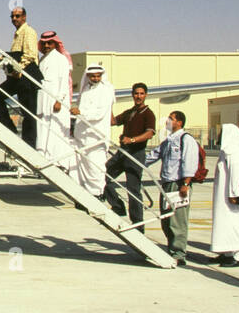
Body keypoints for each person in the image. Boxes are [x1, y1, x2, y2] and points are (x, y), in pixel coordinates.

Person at [145, 110, 199, 265]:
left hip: (179, 184)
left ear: (179, 122)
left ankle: (179, 253)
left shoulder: (186, 139)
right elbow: (153, 155)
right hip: (166, 184)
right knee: (167, 220)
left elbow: (190, 162)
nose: (168, 121)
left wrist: (186, 184)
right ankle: (172, 249)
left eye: (171, 119)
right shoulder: (169, 140)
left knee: (178, 221)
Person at [103, 83, 156, 225]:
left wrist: (132, 140)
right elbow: (113, 121)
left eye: (141, 94)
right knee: (102, 175)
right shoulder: (130, 112)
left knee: (133, 190)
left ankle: (138, 223)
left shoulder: (148, 114)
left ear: (146, 95)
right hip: (123, 152)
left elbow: (149, 133)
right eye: (136, 93)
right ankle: (118, 206)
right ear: (132, 95)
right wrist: (109, 103)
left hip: (135, 153)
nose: (138, 96)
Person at [0, 7, 40, 149]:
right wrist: (2, 59)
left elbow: (29, 55)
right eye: (12, 16)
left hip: (25, 76)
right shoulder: (17, 34)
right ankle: (10, 131)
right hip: (16, 76)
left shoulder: (28, 32)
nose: (14, 19)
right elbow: (15, 56)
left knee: (28, 113)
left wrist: (19, 69)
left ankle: (29, 146)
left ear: (24, 17)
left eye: (17, 16)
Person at [210, 123, 239, 267]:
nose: (219, 136)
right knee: (224, 224)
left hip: (232, 197)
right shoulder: (225, 153)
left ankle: (237, 257)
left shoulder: (235, 153)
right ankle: (226, 253)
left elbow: (236, 176)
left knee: (235, 224)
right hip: (223, 197)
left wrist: (234, 194)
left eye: (222, 133)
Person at [70, 63, 113, 195]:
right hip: (82, 135)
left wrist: (80, 112)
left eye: (98, 76)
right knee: (82, 166)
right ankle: (84, 193)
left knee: (95, 167)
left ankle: (98, 193)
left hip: (96, 136)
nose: (95, 78)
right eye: (92, 76)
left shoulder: (107, 89)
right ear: (87, 76)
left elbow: (99, 113)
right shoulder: (85, 89)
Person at [34, 31, 73, 169]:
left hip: (55, 100)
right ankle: (45, 158)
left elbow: (64, 82)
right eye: (44, 43)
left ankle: (58, 161)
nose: (46, 46)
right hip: (43, 99)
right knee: (43, 128)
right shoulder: (43, 59)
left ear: (55, 43)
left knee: (55, 131)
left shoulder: (61, 58)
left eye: (49, 43)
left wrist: (59, 100)